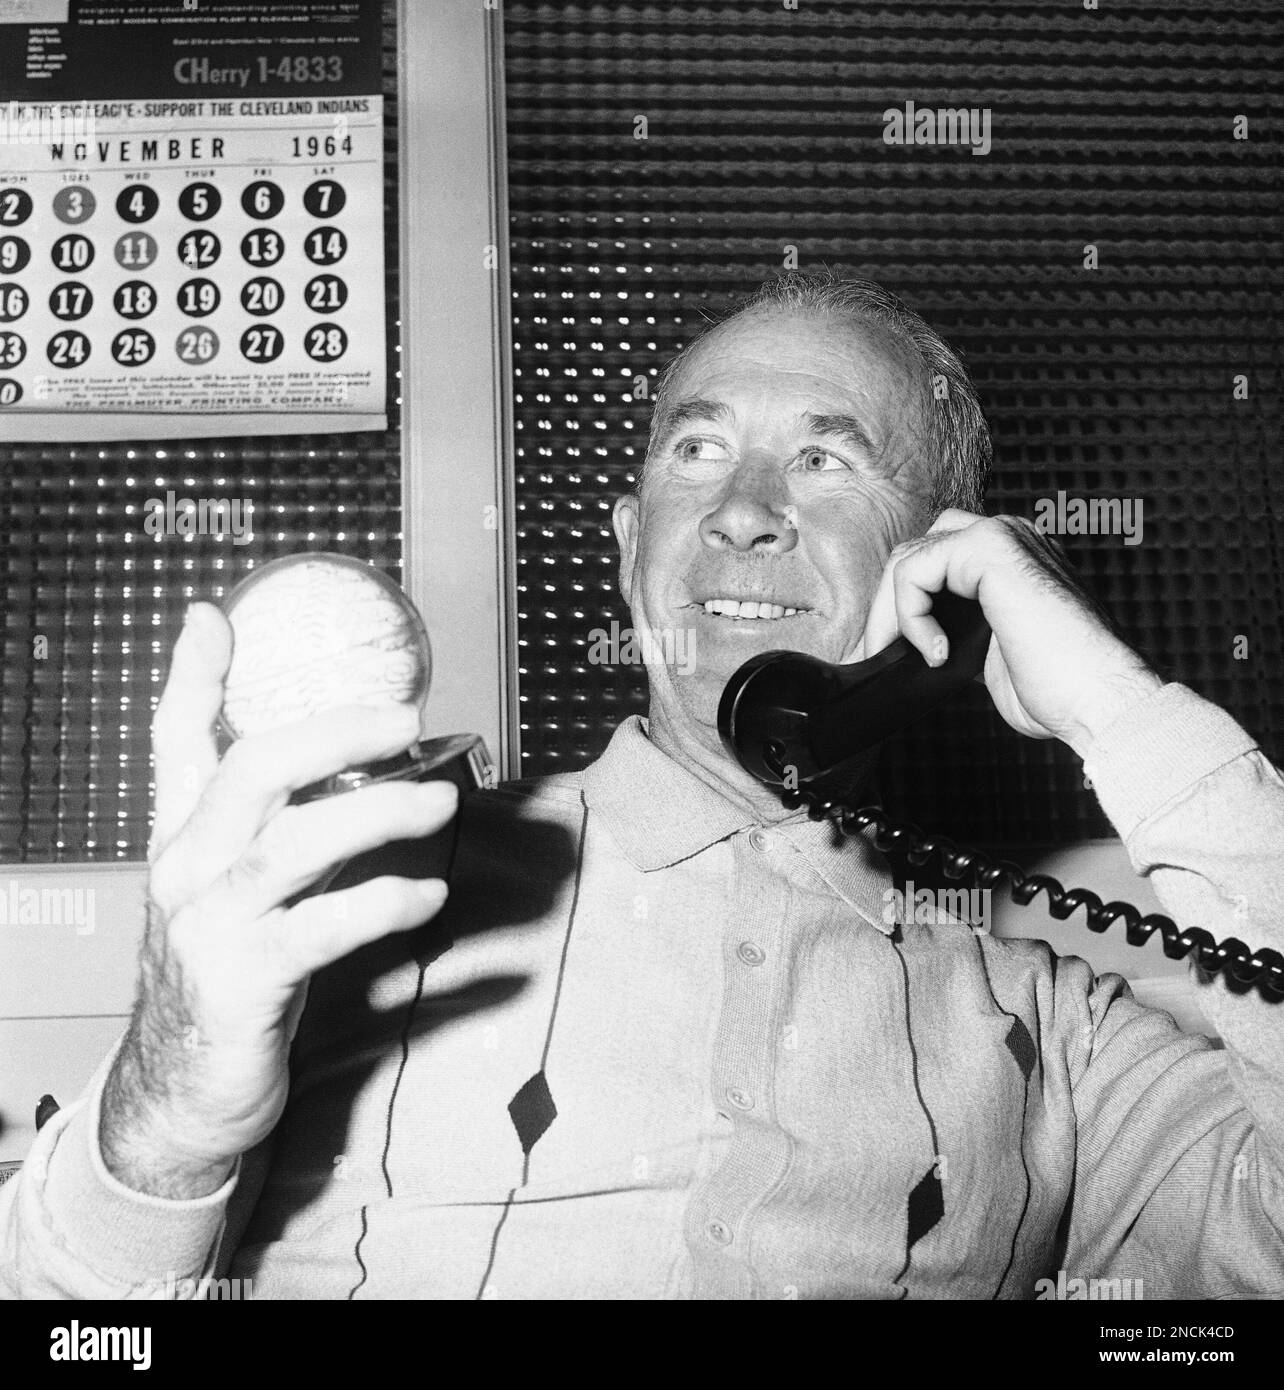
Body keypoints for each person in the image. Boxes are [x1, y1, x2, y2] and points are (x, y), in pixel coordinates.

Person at [3, 274, 1282, 1299]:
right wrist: (164, 1119)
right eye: (697, 451)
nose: (742, 510)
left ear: (943, 568)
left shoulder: (1060, 1029)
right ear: (628, 546)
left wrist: (1121, 710)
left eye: (828, 463)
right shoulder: (357, 896)